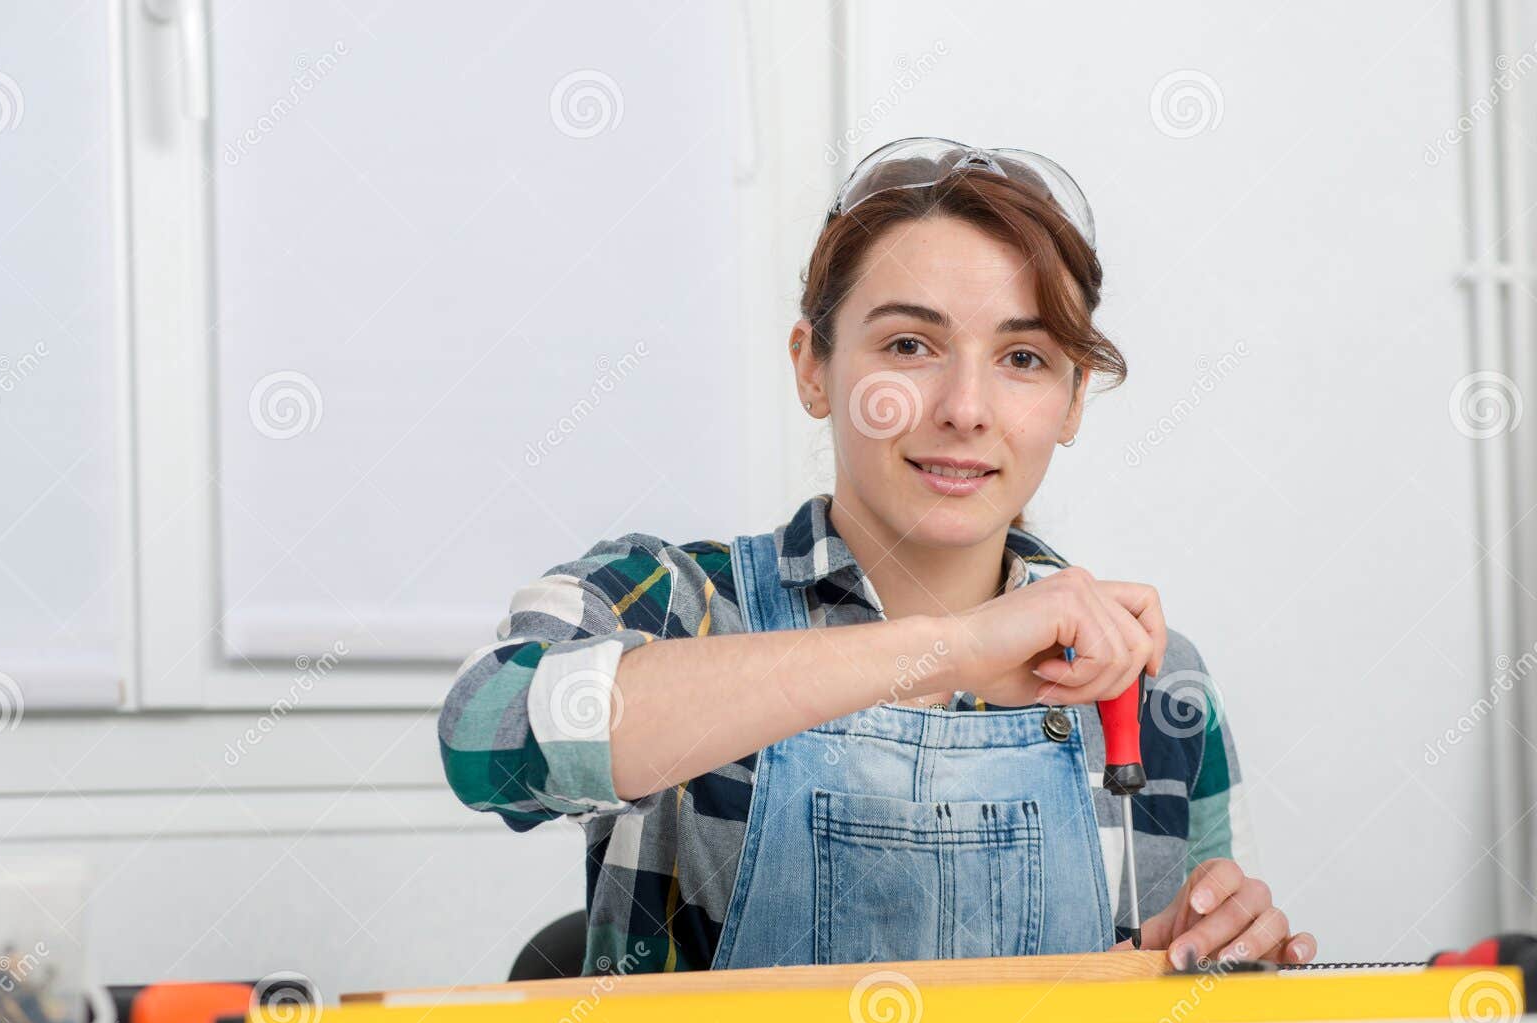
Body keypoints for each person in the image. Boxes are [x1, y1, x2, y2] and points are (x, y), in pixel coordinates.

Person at [440, 137, 1316, 976]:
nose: (966, 407)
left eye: (1023, 357)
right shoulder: (677, 604)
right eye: (909, 345)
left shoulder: (1153, 680)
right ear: (813, 369)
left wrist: (1193, 970)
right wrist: (952, 648)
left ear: (1074, 400)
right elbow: (486, 740)